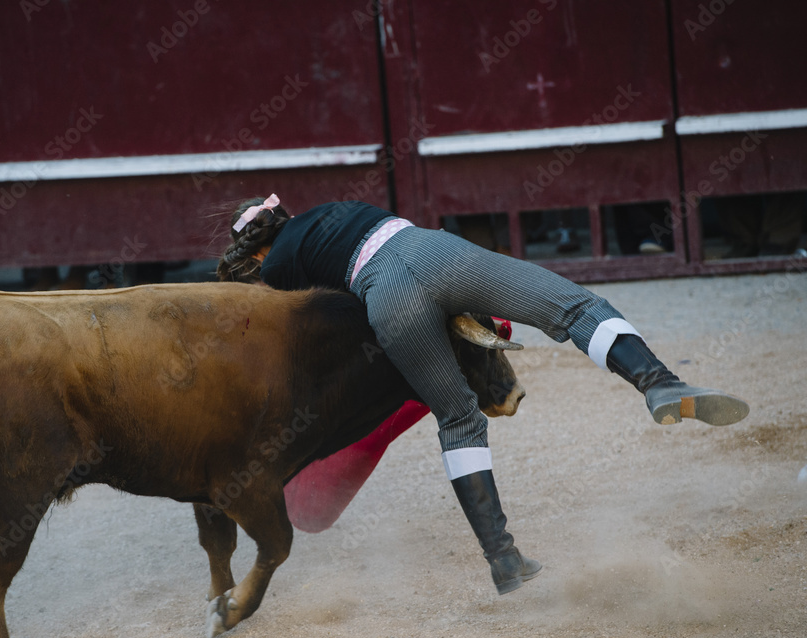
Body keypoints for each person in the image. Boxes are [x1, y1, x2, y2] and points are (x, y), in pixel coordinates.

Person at [216, 195, 749, 596]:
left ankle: (504, 560)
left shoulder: (279, 266)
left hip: (386, 298)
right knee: (574, 308)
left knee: (458, 419)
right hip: (434, 249)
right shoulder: (336, 208)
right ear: (281, 214)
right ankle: (659, 384)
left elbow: (324, 332)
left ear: (256, 250)